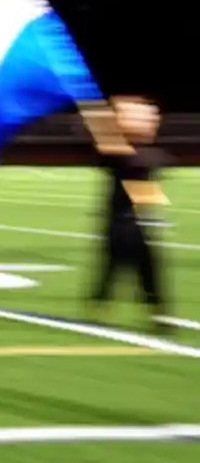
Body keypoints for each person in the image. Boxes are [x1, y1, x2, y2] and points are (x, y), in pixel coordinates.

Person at [85, 96, 172, 332]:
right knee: (120, 268)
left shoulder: (137, 154)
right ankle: (100, 306)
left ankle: (154, 313)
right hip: (122, 222)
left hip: (136, 222)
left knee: (143, 269)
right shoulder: (122, 154)